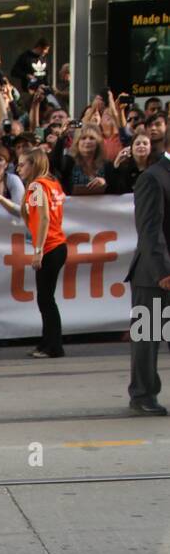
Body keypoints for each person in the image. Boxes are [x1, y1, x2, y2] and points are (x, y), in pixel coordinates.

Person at [125, 128, 170, 414]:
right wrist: (163, 270)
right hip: (154, 275)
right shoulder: (152, 177)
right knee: (147, 338)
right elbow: (150, 230)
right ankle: (142, 395)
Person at [18, 148, 67, 359]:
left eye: (22, 164)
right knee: (46, 298)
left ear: (33, 165)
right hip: (57, 245)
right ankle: (48, 342)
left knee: (46, 299)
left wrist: (38, 250)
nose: (19, 168)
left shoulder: (37, 187)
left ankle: (53, 345)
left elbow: (44, 218)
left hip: (50, 246)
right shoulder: (51, 184)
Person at [109, 130, 154, 195]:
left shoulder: (156, 168)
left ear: (150, 148)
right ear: (131, 148)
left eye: (145, 143)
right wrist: (117, 163)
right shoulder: (125, 169)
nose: (141, 146)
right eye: (137, 144)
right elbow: (117, 189)